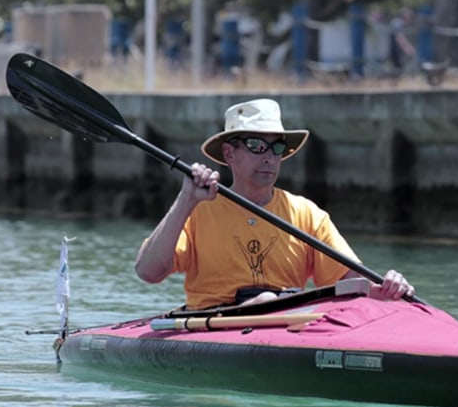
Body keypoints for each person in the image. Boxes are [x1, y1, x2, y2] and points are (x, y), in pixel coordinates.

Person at [135, 98, 414, 310]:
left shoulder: (306, 213)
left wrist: (386, 287)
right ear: (230, 153)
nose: (269, 157)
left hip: (285, 319)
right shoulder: (196, 209)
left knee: (270, 299)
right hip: (216, 323)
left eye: (277, 147)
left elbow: (351, 282)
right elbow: (148, 272)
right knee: (265, 299)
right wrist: (186, 199)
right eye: (257, 146)